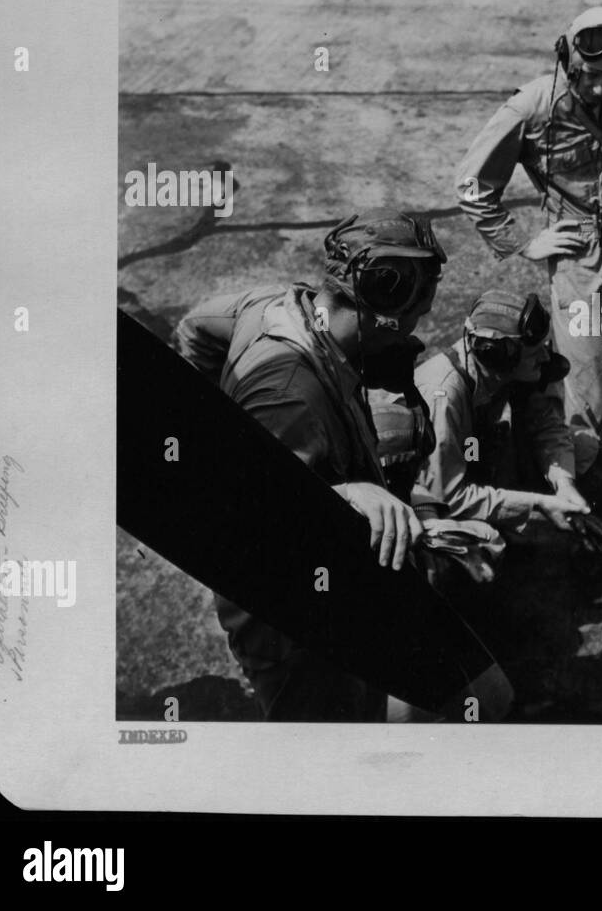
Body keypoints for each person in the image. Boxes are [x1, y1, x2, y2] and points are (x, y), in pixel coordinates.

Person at [174, 208, 446, 721]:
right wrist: (342, 494)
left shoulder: (271, 306)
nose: (413, 328)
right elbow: (240, 522)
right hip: (290, 628)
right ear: (388, 298)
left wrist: (219, 421)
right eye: (415, 313)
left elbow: (195, 330)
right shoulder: (290, 397)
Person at [455, 5, 602, 500]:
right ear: (569, 61)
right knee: (591, 384)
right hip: (580, 254)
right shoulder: (533, 107)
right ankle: (590, 495)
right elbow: (472, 185)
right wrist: (521, 243)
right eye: (591, 75)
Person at [410, 288, 597, 567]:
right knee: (485, 544)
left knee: (585, 447)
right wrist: (536, 503)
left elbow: (547, 425)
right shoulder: (444, 395)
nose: (545, 359)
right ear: (498, 356)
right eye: (535, 353)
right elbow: (447, 496)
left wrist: (563, 483)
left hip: (483, 461)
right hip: (432, 496)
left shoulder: (513, 367)